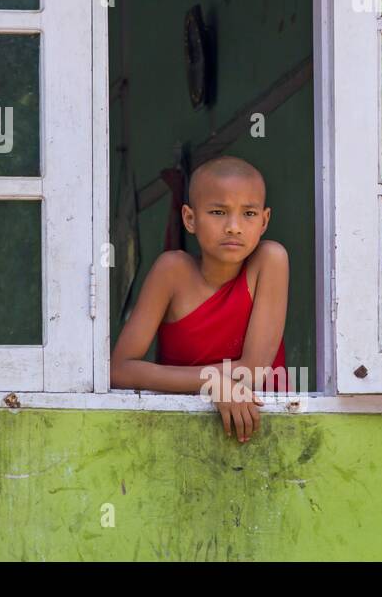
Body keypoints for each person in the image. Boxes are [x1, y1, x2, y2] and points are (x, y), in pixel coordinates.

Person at [110, 156, 289, 443]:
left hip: (265, 433)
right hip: (178, 435)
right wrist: (214, 383)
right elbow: (119, 369)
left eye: (249, 214)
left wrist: (215, 382)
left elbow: (254, 371)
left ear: (265, 220)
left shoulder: (270, 260)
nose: (234, 226)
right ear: (189, 219)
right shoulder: (172, 271)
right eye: (218, 213)